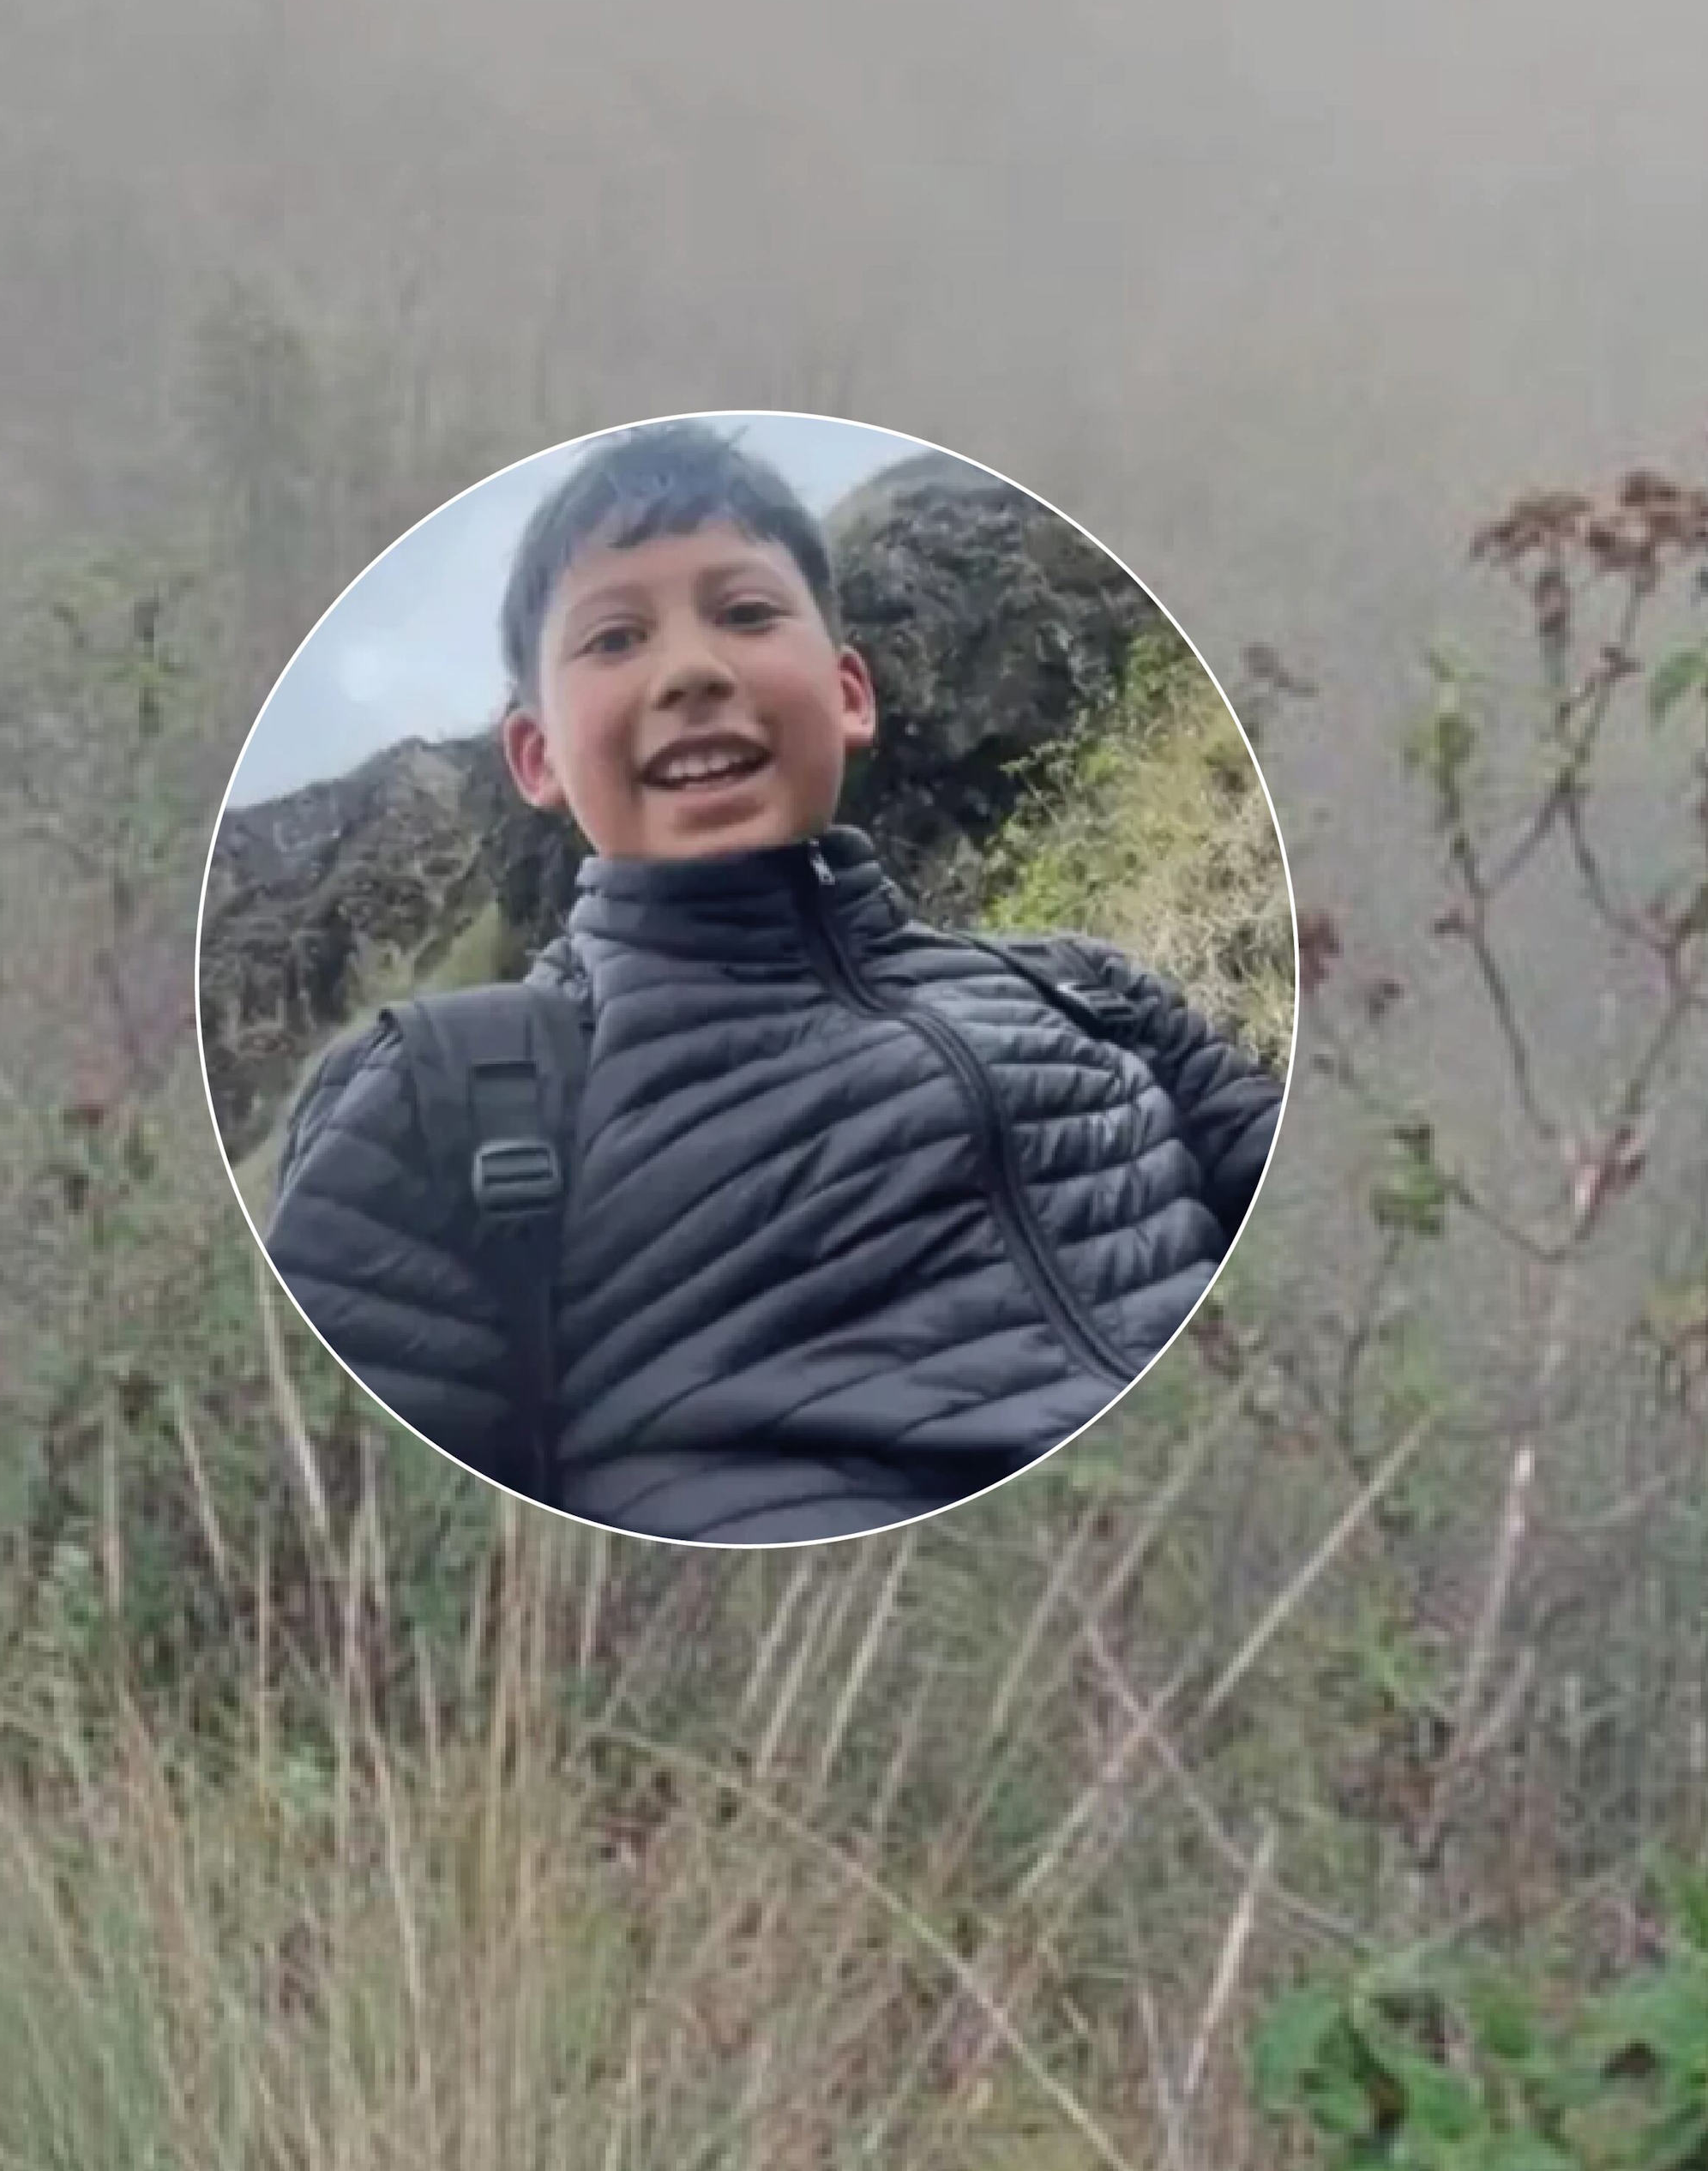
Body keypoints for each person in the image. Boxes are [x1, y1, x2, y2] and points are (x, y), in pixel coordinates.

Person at [264, 423, 1280, 1545]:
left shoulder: (1088, 990)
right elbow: (361, 1567)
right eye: (613, 637)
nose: (691, 670)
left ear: (849, 691)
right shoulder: (439, 1098)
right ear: (536, 758)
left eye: (745, 613)